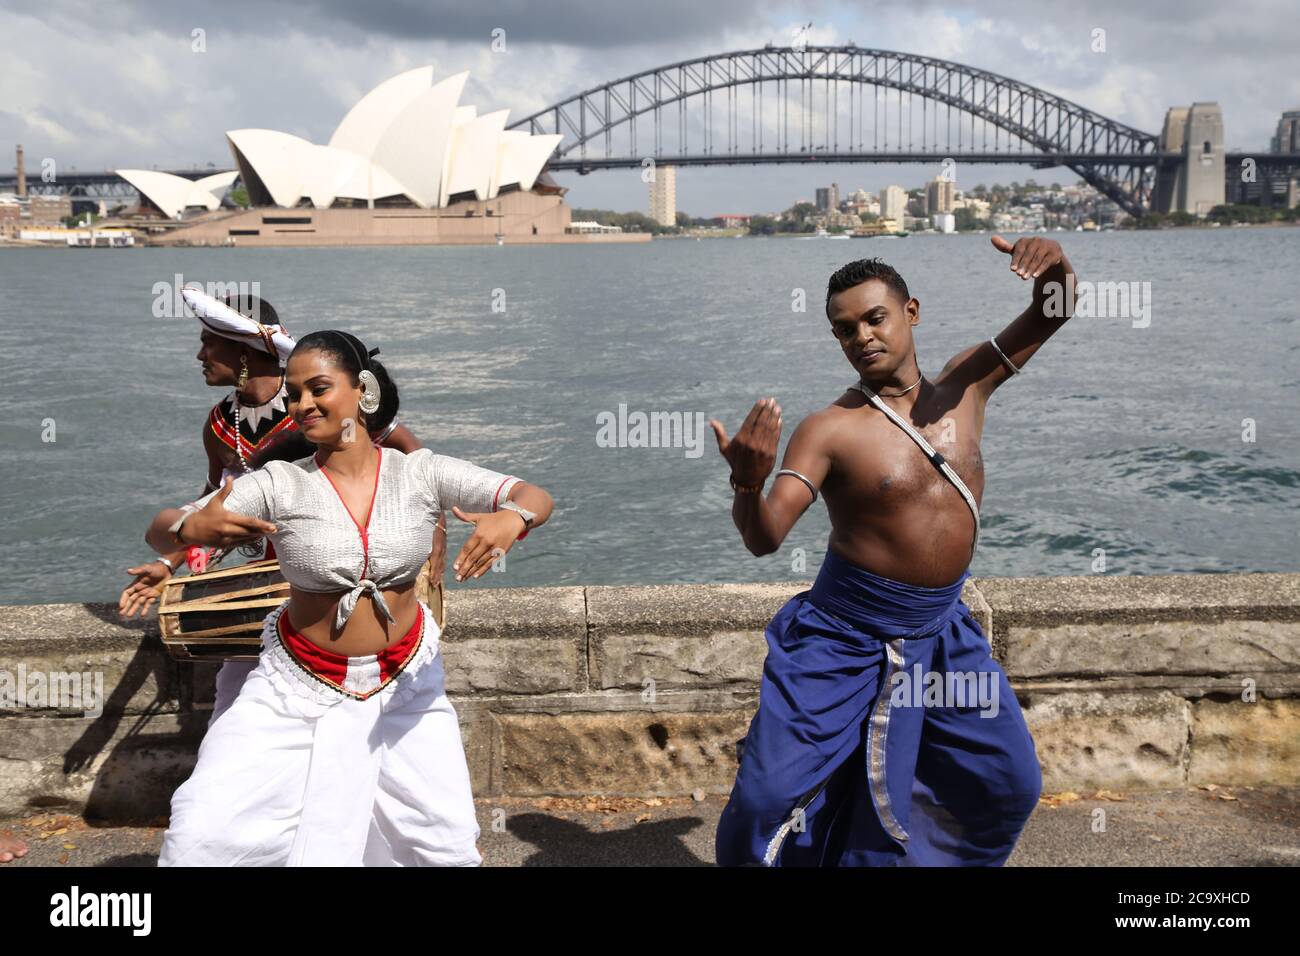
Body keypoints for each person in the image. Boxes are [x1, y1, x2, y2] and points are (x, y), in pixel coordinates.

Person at [709, 236, 1075, 866]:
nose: (862, 337)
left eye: (875, 318)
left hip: (942, 634)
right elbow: (765, 537)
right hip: (842, 637)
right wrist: (748, 482)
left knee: (1008, 783)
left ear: (911, 312)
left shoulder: (967, 386)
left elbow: (1056, 307)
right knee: (768, 796)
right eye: (844, 330)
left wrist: (1056, 263)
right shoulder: (829, 429)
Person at [144, 329, 553, 866]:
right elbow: (161, 527)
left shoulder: (421, 472)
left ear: (361, 390)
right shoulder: (279, 483)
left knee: (439, 844)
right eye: (293, 394)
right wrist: (191, 529)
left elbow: (533, 495)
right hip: (295, 686)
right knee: (204, 836)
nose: (302, 404)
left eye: (318, 388)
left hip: (407, 685)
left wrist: (513, 518)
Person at [119, 287, 446, 729]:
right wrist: (169, 560)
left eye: (207, 342)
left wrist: (435, 532)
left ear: (242, 350)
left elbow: (409, 453)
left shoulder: (317, 406)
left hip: (329, 578)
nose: (199, 354)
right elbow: (215, 498)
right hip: (262, 584)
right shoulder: (218, 426)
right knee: (234, 707)